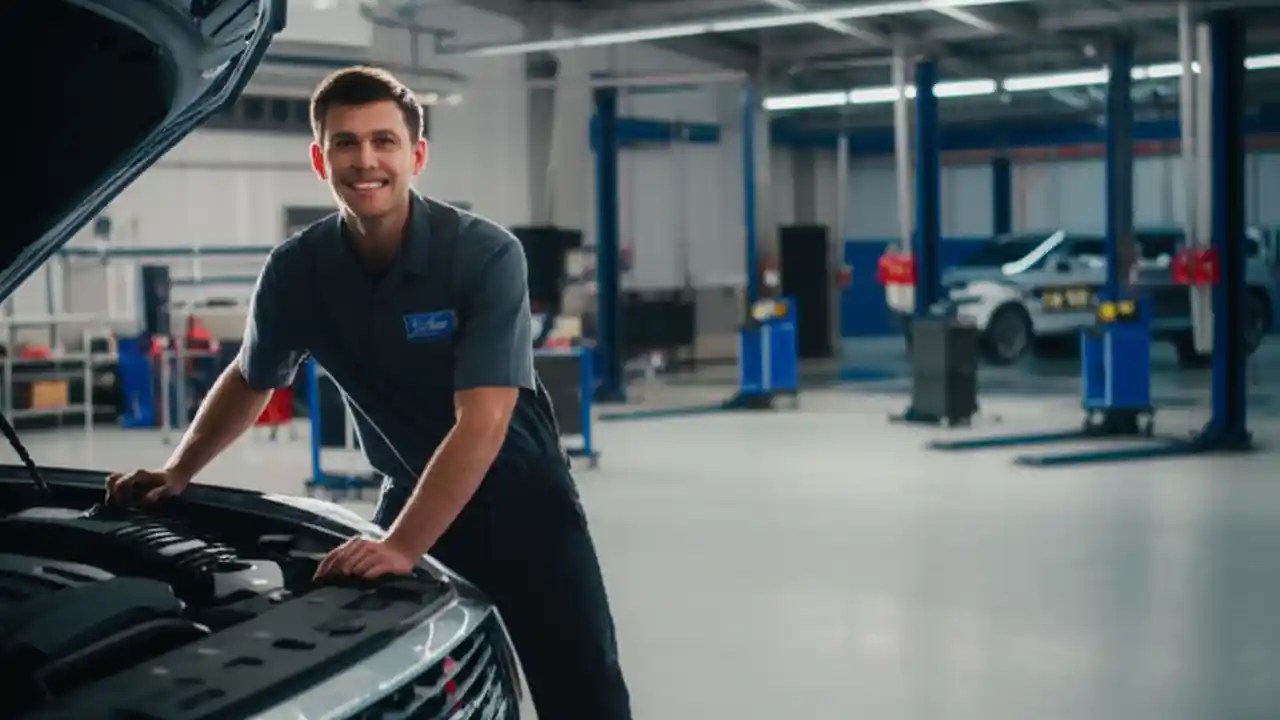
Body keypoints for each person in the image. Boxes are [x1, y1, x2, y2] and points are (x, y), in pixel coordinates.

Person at [105, 65, 631, 719]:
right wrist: (179, 470)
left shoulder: (484, 254)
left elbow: (484, 422)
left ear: (417, 155)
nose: (366, 160)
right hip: (410, 494)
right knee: (393, 690)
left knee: (583, 690)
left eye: (384, 141)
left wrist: (402, 546)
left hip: (525, 507)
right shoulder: (297, 270)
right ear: (319, 159)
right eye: (346, 143)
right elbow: (251, 376)